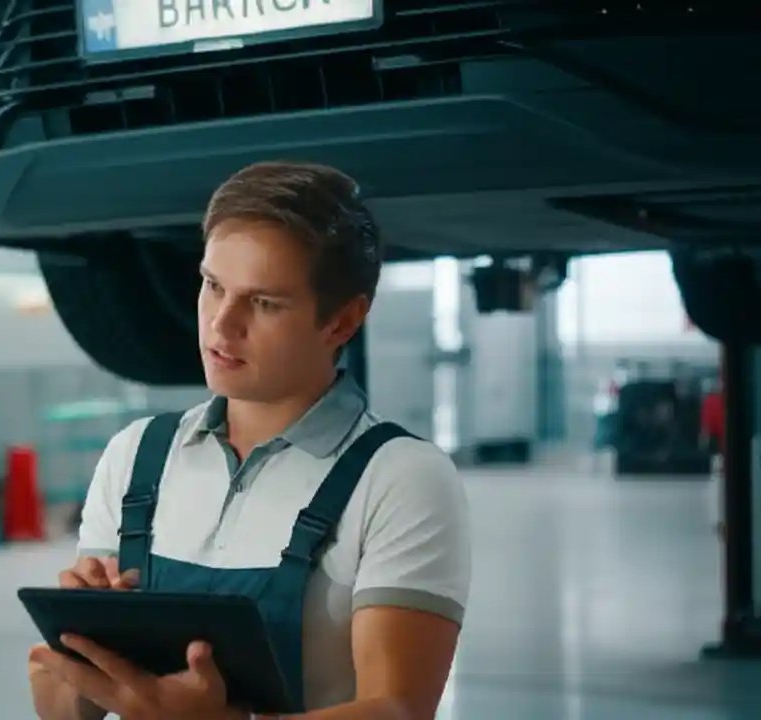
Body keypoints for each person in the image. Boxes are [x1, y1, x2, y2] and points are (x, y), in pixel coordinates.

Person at [28, 161, 471, 720]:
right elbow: (58, 707)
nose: (222, 324)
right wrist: (83, 654)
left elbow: (398, 710)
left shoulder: (399, 477)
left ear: (341, 321)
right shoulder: (136, 456)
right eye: (213, 286)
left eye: (264, 303)